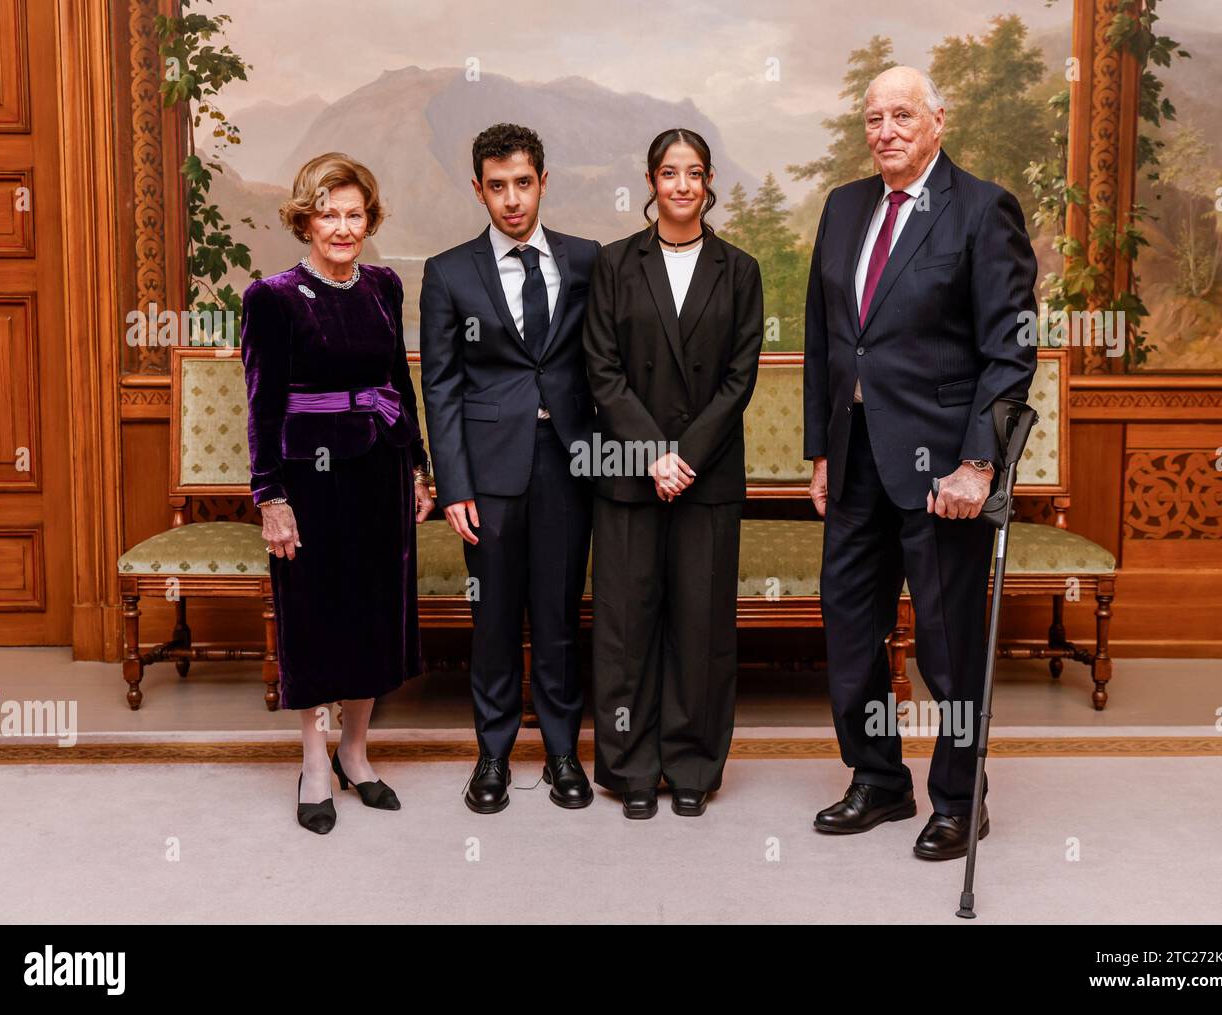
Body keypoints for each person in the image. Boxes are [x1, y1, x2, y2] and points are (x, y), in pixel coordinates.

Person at [803, 67, 1038, 858]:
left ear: (939, 119)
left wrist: (981, 462)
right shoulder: (843, 208)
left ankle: (959, 797)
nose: (886, 130)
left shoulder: (981, 208)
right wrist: (820, 450)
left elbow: (1010, 352)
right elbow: (826, 341)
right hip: (855, 460)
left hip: (944, 469)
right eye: (874, 117)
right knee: (850, 632)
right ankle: (877, 781)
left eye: (902, 114)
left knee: (947, 644)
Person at [241, 152, 434, 835]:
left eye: (354, 214)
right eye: (329, 214)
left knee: (373, 616)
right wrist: (271, 498)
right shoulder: (272, 299)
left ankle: (356, 751)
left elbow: (398, 383)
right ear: (306, 219)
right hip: (309, 483)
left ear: (369, 219)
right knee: (317, 616)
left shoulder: (383, 285)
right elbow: (262, 408)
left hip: (379, 470)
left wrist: (417, 466)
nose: (343, 227)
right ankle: (315, 760)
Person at [418, 124, 600, 814]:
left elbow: (605, 366)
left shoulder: (587, 261)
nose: (512, 199)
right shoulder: (450, 271)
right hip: (487, 475)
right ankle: (492, 754)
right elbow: (441, 385)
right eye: (497, 186)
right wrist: (453, 485)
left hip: (569, 464)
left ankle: (561, 753)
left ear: (542, 181)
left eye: (523, 183)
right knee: (493, 619)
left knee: (558, 617)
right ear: (479, 190)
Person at [584, 128, 763, 819]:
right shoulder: (613, 264)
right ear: (651, 181)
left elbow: (740, 375)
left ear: (709, 179)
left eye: (693, 173)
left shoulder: (739, 268)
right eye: (668, 172)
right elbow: (602, 369)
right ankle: (630, 766)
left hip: (707, 477)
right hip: (630, 474)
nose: (682, 185)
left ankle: (692, 765)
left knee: (702, 626)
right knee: (626, 629)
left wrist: (685, 455)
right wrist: (653, 453)